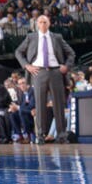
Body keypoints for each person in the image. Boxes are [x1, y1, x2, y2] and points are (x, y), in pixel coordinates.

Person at [15, 13, 75, 142]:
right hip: (38, 72)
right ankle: (40, 135)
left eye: (45, 22)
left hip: (56, 72)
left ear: (49, 24)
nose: (43, 24)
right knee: (40, 104)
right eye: (40, 22)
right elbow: (18, 52)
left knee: (58, 104)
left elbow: (71, 53)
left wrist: (66, 66)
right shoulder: (31, 37)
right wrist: (27, 66)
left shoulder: (57, 37)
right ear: (37, 24)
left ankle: (61, 135)